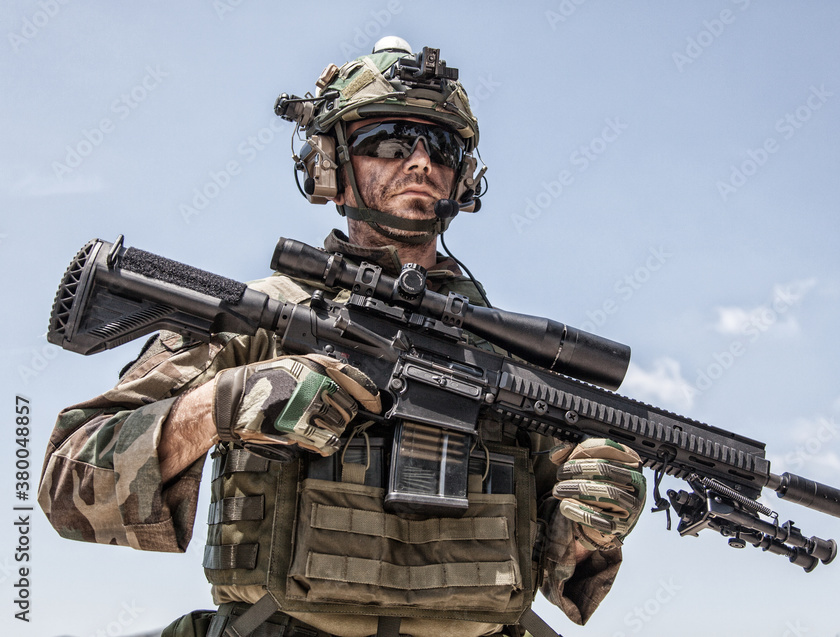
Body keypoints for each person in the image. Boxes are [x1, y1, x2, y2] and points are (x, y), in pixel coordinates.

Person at [38, 37, 646, 637]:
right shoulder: (260, 318)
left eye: (441, 147)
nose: (419, 162)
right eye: (387, 141)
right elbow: (67, 482)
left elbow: (560, 573)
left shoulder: (506, 360)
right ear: (329, 163)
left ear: (464, 178)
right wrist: (223, 404)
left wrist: (595, 520)